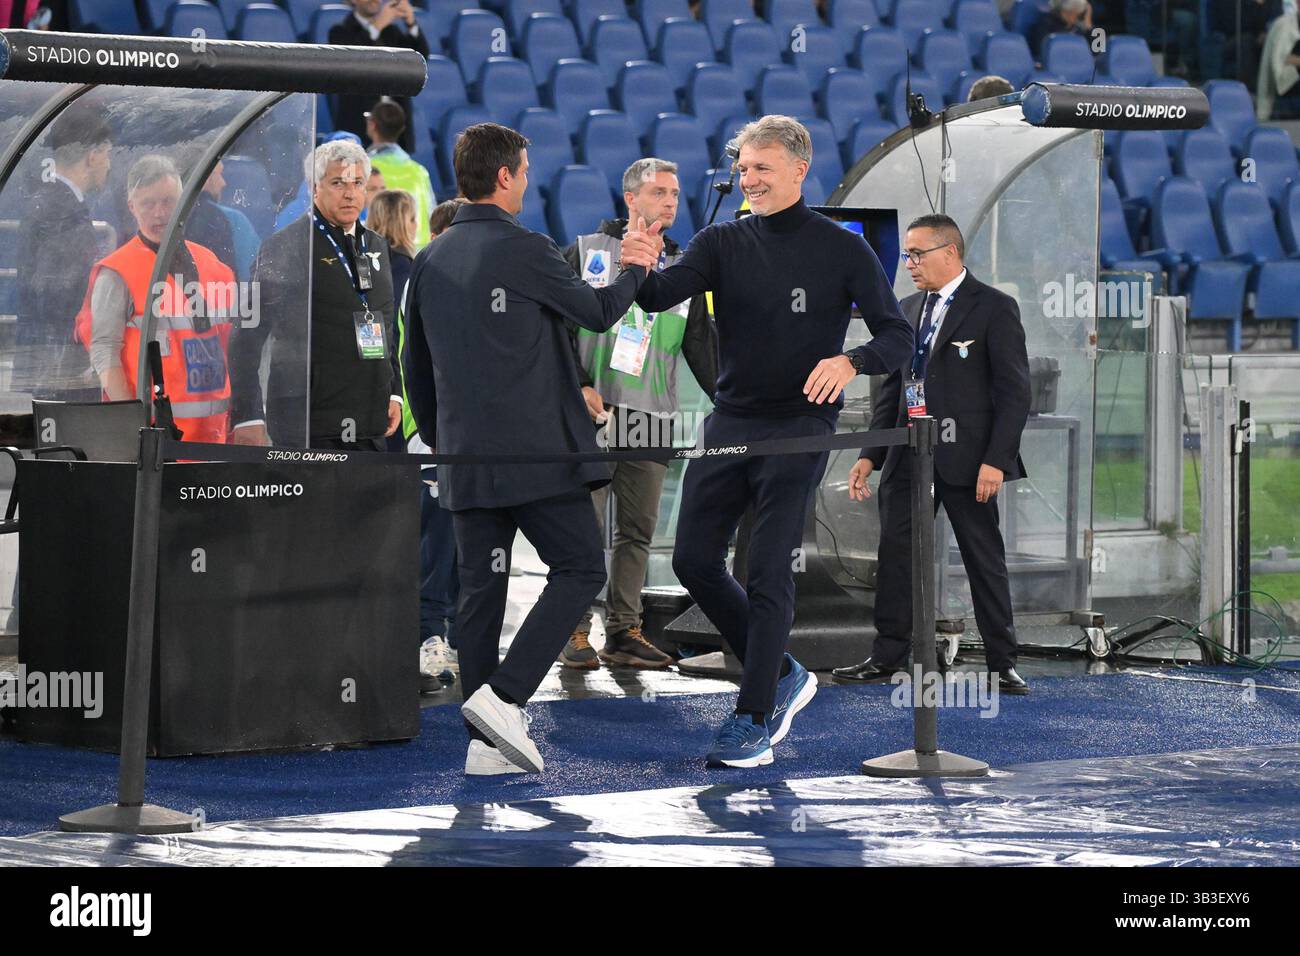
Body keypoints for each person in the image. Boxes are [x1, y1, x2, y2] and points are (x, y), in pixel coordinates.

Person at [630, 115, 914, 768]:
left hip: (800, 426)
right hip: (730, 422)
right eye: (744, 168)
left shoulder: (843, 249)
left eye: (762, 167)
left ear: (797, 170)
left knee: (764, 565)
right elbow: (655, 298)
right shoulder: (720, 240)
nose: (749, 179)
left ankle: (753, 713)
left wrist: (853, 361)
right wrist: (640, 263)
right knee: (695, 561)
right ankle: (783, 672)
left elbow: (896, 334)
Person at [402, 122, 662, 775]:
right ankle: (506, 697)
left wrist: (442, 438)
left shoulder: (431, 257)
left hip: (464, 458)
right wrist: (635, 269)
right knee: (580, 568)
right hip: (537, 456)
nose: (528, 179)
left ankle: (485, 746)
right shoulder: (525, 248)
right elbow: (598, 314)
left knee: (479, 593)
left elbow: (415, 367)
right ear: (504, 177)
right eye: (523, 169)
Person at [832, 214, 1032, 695]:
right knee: (896, 556)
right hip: (908, 455)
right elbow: (892, 392)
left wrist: (996, 461)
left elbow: (1014, 392)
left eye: (917, 254)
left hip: (969, 459)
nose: (909, 263)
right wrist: (870, 455)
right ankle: (887, 655)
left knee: (983, 557)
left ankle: (1002, 660)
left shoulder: (994, 308)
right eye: (906, 254)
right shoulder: (905, 308)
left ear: (951, 253)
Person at [559, 157, 718, 671]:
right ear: (631, 198)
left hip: (652, 417)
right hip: (593, 413)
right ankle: (574, 629)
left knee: (638, 532)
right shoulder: (585, 253)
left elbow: (701, 347)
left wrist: (737, 402)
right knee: (583, 527)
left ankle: (624, 630)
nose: (671, 201)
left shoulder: (683, 267)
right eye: (660, 192)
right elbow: (554, 330)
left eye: (675, 193)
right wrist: (578, 384)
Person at [229, 139, 402, 450]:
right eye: (338, 183)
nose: (351, 193)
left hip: (368, 416)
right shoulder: (284, 246)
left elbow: (385, 324)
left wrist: (392, 391)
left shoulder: (375, 245)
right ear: (313, 187)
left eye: (358, 183)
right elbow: (246, 336)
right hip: (308, 420)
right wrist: (247, 414)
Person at [75, 155, 236, 443]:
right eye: (148, 203)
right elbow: (105, 351)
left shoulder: (213, 264)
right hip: (155, 439)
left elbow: (230, 345)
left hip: (214, 438)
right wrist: (133, 424)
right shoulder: (117, 272)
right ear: (132, 207)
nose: (159, 213)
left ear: (183, 202)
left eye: (168, 201)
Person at [393, 196, 467, 691]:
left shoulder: (460, 283)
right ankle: (426, 640)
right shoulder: (424, 282)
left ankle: (459, 640)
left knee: (466, 548)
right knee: (436, 547)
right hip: (432, 439)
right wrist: (430, 434)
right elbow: (414, 365)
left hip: (465, 440)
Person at [14, 110, 112, 399]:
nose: (109, 165)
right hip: (63, 366)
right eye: (107, 154)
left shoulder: (52, 202)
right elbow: (56, 291)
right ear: (92, 155)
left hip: (53, 362)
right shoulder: (60, 211)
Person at [328, 0, 429, 152]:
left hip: (393, 127)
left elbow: (420, 58)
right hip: (358, 125)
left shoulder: (391, 32)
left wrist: (411, 23)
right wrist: (376, 26)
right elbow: (353, 60)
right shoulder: (339, 32)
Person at [366, 98, 437, 247]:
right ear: (402, 129)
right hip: (420, 255)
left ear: (372, 125)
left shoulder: (365, 170)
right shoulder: (419, 171)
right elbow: (433, 218)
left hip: (382, 256)